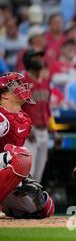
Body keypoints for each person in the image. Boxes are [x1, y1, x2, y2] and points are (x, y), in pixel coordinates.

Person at [0, 72, 54, 218]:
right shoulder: (1, 116)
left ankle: (8, 208)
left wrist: (22, 178)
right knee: (18, 155)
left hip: (4, 174)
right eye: (15, 85)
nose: (21, 87)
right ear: (4, 95)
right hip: (6, 161)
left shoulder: (25, 120)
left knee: (45, 207)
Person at [21, 49, 54, 183]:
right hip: (29, 133)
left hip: (43, 131)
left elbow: (47, 109)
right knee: (27, 174)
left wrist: (54, 131)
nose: (40, 59)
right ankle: (19, 204)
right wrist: (26, 128)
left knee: (38, 177)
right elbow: (15, 108)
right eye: (35, 57)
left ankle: (32, 204)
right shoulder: (22, 81)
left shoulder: (45, 82)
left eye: (40, 57)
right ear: (28, 60)